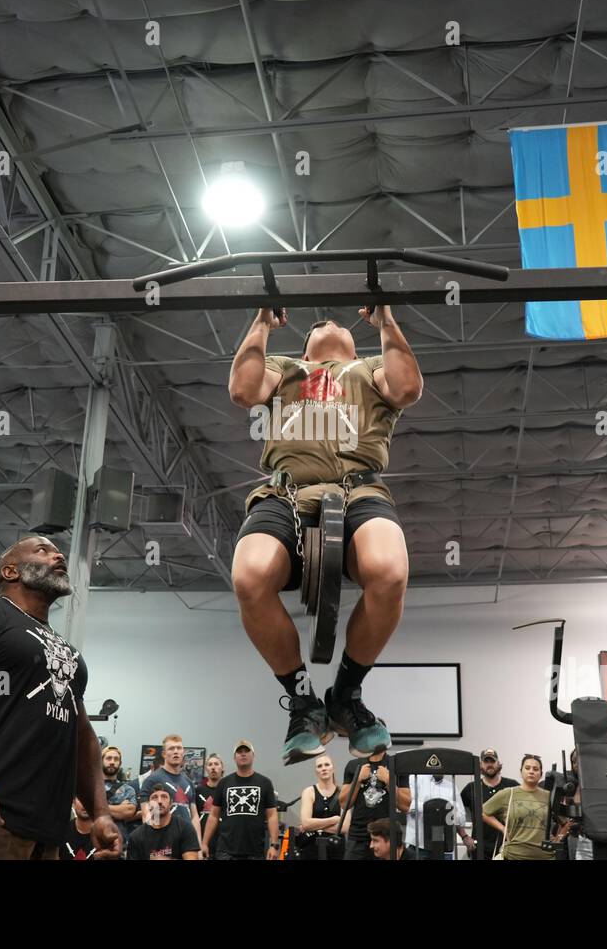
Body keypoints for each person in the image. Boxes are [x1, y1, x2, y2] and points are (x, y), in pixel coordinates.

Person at [228, 306, 423, 765]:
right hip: (287, 492)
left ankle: (346, 696)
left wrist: (386, 322)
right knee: (249, 578)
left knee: (389, 572)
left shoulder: (371, 368)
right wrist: (259, 321)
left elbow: (408, 388)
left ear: (357, 343)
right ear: (303, 344)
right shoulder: (284, 368)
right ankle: (302, 700)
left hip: (359, 489)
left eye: (338, 324)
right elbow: (241, 390)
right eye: (316, 325)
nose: (327, 323)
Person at [0, 535, 119, 860]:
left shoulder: (68, 652)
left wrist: (100, 813)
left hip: (46, 832)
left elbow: (82, 737)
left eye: (58, 553)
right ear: (11, 572)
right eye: (43, 551)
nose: (58, 556)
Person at [200, 740, 279, 860]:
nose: (243, 754)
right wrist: (204, 843)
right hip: (226, 852)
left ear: (253, 755)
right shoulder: (224, 783)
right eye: (239, 752)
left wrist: (274, 845)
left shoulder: (265, 783)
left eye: (246, 751)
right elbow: (214, 815)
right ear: (234, 757)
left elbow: (272, 816)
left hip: (255, 851)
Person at [340, 747, 411, 860]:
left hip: (385, 838)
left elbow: (405, 806)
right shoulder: (354, 765)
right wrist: (357, 780)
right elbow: (344, 804)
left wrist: (389, 781)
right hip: (358, 836)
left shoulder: (396, 765)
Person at [482, 754, 556, 861]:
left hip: (545, 856)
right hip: (514, 855)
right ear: (521, 772)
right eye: (527, 768)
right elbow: (482, 812)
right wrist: (503, 828)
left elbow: (565, 820)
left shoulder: (549, 796)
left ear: (541, 774)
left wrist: (558, 837)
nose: (531, 771)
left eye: (535, 769)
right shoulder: (508, 793)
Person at [459, 748, 518, 859]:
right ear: (480, 765)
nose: (489, 765)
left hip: (507, 846)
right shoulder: (471, 788)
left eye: (492, 761)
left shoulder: (512, 786)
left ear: (498, 763)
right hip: (480, 847)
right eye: (486, 761)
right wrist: (464, 837)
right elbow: (457, 814)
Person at [407, 768, 472, 859]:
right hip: (418, 847)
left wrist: (464, 835)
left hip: (444, 846)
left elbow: (461, 819)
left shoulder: (451, 787)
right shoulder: (416, 779)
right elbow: (410, 807)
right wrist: (445, 809)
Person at [139, 735, 199, 827]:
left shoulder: (188, 782)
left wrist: (197, 840)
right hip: (163, 837)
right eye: (171, 748)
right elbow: (148, 817)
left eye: (179, 748)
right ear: (164, 754)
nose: (176, 751)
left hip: (186, 838)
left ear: (183, 752)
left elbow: (194, 817)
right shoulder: (152, 780)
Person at [127, 785, 200, 860]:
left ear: (171, 803)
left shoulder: (185, 828)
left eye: (164, 797)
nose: (159, 801)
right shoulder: (136, 836)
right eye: (154, 797)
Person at [296, 754, 344, 860]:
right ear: (316, 771)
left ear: (333, 768)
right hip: (311, 847)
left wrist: (314, 825)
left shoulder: (343, 793)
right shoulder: (309, 792)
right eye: (319, 766)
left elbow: (344, 827)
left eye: (327, 764)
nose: (323, 768)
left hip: (336, 848)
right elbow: (306, 823)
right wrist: (333, 820)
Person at [100, 746, 138, 852]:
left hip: (118, 844)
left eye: (116, 759)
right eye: (108, 758)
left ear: (120, 764)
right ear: (101, 761)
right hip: (93, 842)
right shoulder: (91, 787)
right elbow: (84, 809)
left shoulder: (127, 789)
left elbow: (128, 811)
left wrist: (97, 806)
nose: (112, 762)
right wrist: (118, 808)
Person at [194, 753, 224, 854]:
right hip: (202, 841)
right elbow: (194, 816)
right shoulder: (198, 791)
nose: (213, 767)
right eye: (210, 764)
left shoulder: (227, 790)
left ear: (222, 768)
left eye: (216, 764)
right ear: (206, 769)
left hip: (223, 842)